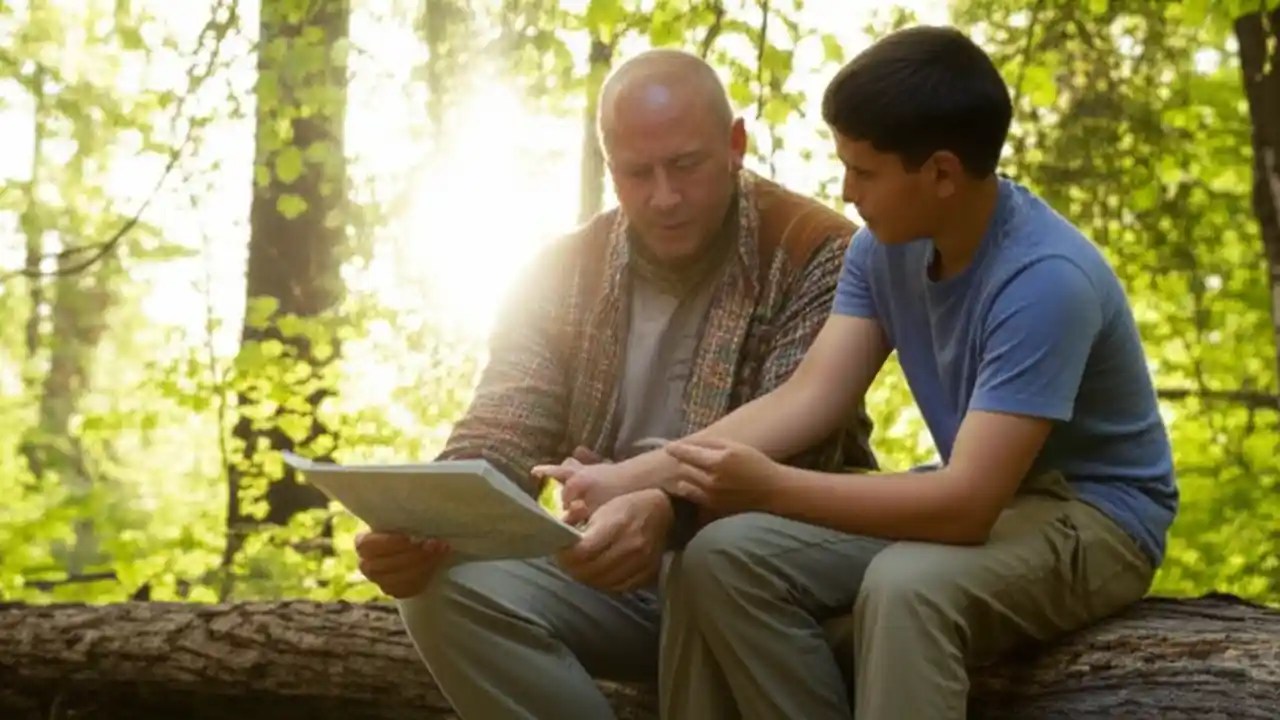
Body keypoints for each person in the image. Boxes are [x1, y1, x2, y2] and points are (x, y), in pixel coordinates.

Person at [544, 26, 1180, 719]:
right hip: (989, 493)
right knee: (719, 556)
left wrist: (775, 488)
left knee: (907, 589)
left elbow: (966, 508)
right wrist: (630, 477)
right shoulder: (885, 251)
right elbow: (808, 399)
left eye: (864, 172)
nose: (845, 192)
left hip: (1094, 516)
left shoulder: (1045, 281)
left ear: (940, 173)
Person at [352, 48, 877, 718]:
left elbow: (801, 441)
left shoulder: (819, 251)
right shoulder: (558, 271)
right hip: (604, 571)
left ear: (735, 144)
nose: (665, 196)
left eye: (685, 164)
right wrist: (427, 524)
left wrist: (667, 509)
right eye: (637, 173)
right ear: (611, 170)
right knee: (442, 586)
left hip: (760, 568)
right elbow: (505, 426)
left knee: (714, 556)